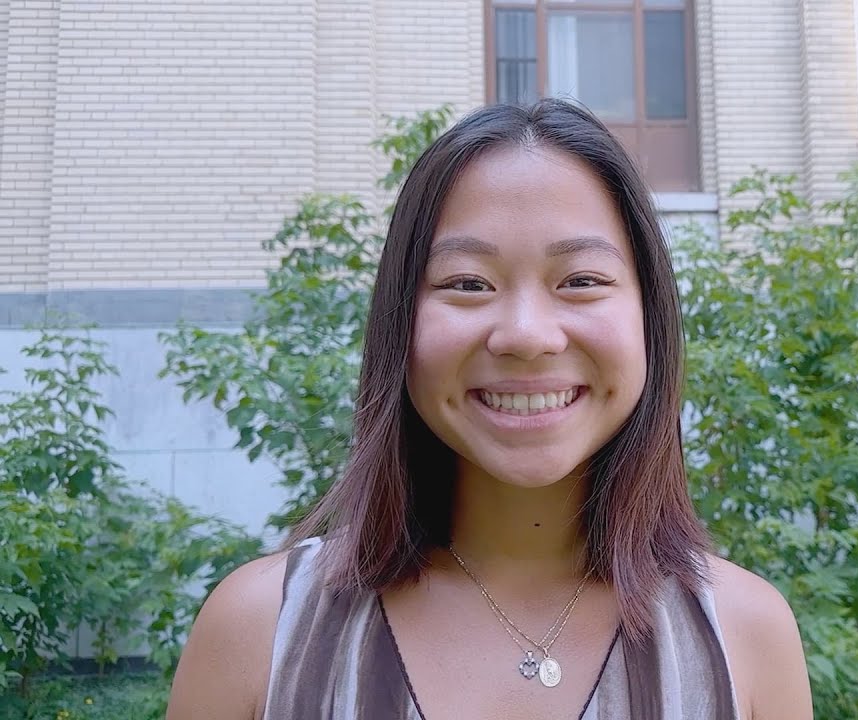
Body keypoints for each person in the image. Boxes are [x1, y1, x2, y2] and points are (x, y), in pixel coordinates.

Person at [166, 99, 812, 720]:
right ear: (401, 325)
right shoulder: (262, 632)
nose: (527, 335)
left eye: (581, 281)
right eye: (467, 283)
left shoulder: (744, 639)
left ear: (650, 317)